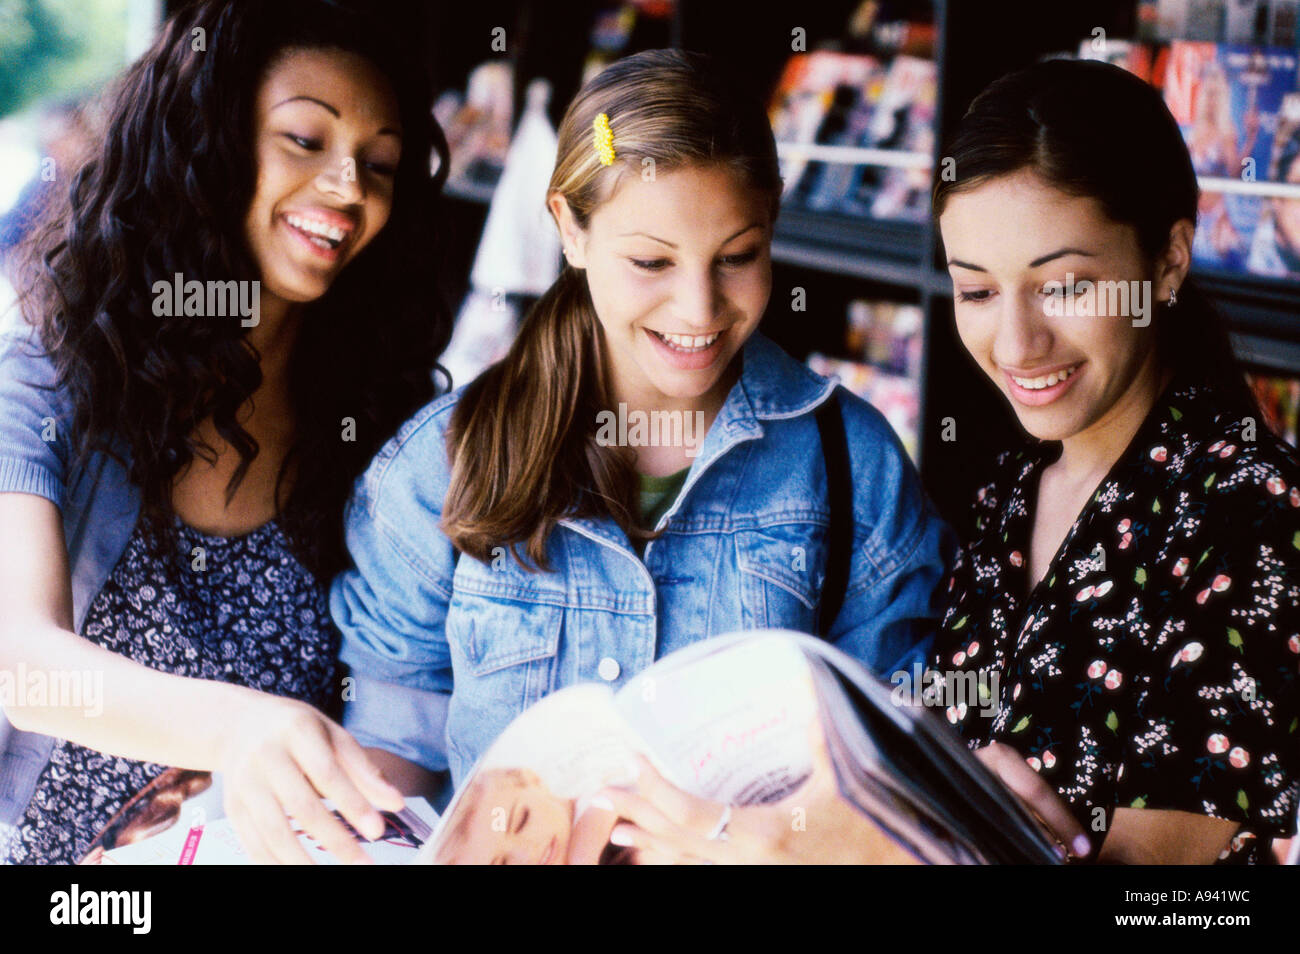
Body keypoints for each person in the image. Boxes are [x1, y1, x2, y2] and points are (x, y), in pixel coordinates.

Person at [594, 58, 1300, 866]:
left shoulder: (1252, 510)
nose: (1016, 343)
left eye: (1064, 286)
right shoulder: (1016, 483)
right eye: (977, 291)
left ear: (1168, 261)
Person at [329, 49, 953, 810]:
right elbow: (394, 741)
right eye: (652, 261)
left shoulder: (853, 466)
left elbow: (883, 763)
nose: (699, 309)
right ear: (570, 227)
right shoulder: (443, 462)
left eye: (738, 257)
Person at [0, 0, 451, 864]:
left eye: (380, 163)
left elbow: (404, 734)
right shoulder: (50, 386)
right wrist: (241, 729)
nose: (349, 187)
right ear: (207, 144)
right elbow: (25, 664)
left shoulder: (390, 447)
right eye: (305, 140)